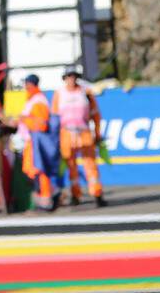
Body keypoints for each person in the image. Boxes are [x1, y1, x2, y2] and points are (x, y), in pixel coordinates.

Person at [51, 67, 105, 206]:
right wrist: (54, 137)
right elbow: (55, 118)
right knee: (71, 165)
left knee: (90, 164)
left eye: (74, 76)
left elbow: (95, 114)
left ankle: (97, 194)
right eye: (69, 76)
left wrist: (97, 133)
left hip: (84, 131)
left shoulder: (85, 92)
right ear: (65, 78)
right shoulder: (59, 94)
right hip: (66, 133)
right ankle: (75, 194)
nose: (71, 79)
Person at [9, 74, 58, 212]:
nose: (25, 87)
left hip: (36, 140)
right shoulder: (30, 99)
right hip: (29, 140)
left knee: (39, 170)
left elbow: (40, 124)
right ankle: (45, 197)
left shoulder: (38, 100)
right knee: (32, 171)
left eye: (27, 84)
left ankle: (46, 199)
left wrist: (24, 119)